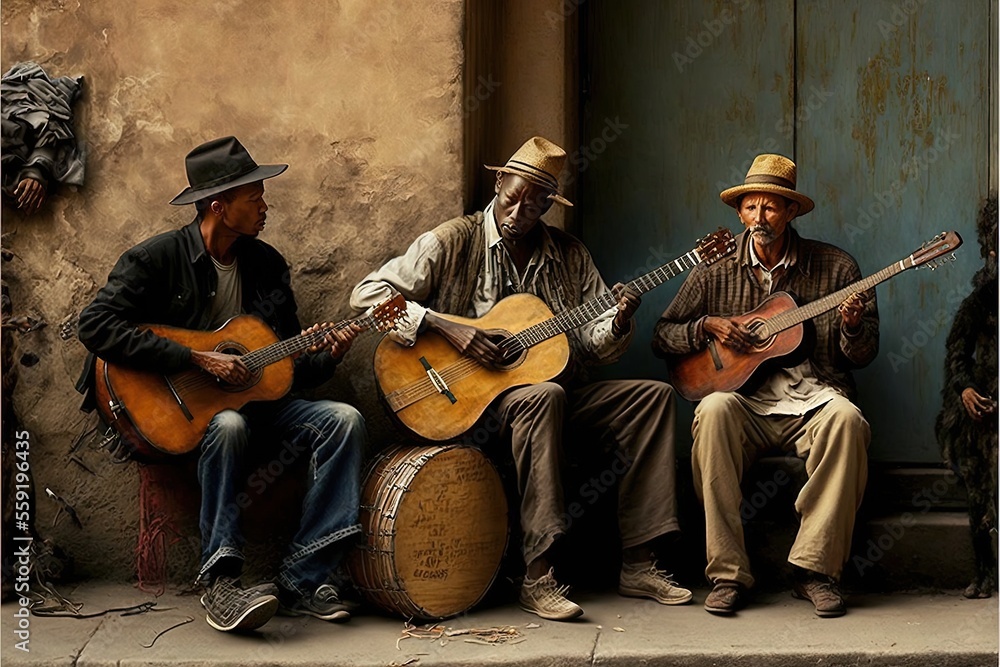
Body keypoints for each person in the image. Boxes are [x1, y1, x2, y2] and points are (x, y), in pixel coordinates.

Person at [351, 136, 692, 621]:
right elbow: (367, 295)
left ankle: (640, 560)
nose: (518, 214)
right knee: (543, 395)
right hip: (468, 404)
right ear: (498, 184)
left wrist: (616, 320)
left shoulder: (570, 255)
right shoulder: (452, 240)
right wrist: (447, 327)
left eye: (534, 206)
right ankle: (538, 574)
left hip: (551, 398)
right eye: (512, 199)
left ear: (548, 205)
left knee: (652, 397)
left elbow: (594, 346)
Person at [76, 137, 365, 632]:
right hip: (179, 411)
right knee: (229, 422)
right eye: (255, 197)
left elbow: (282, 370)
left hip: (257, 407)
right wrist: (194, 358)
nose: (264, 207)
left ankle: (304, 578)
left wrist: (324, 356)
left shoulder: (266, 265)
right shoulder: (155, 259)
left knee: (343, 419)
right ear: (218, 205)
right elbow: (96, 326)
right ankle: (221, 581)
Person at [652, 153, 878, 618]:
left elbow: (865, 354)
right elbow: (663, 336)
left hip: (813, 396)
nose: (760, 218)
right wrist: (707, 327)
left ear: (791, 212)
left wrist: (852, 327)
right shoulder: (713, 269)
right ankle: (727, 574)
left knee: (848, 421)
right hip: (743, 403)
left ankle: (815, 571)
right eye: (752, 208)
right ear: (739, 213)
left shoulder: (836, 268)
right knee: (710, 412)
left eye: (771, 208)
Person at [936, 193, 998, 599]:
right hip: (984, 409)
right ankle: (985, 570)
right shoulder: (982, 301)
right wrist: (966, 389)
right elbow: (957, 351)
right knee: (978, 476)